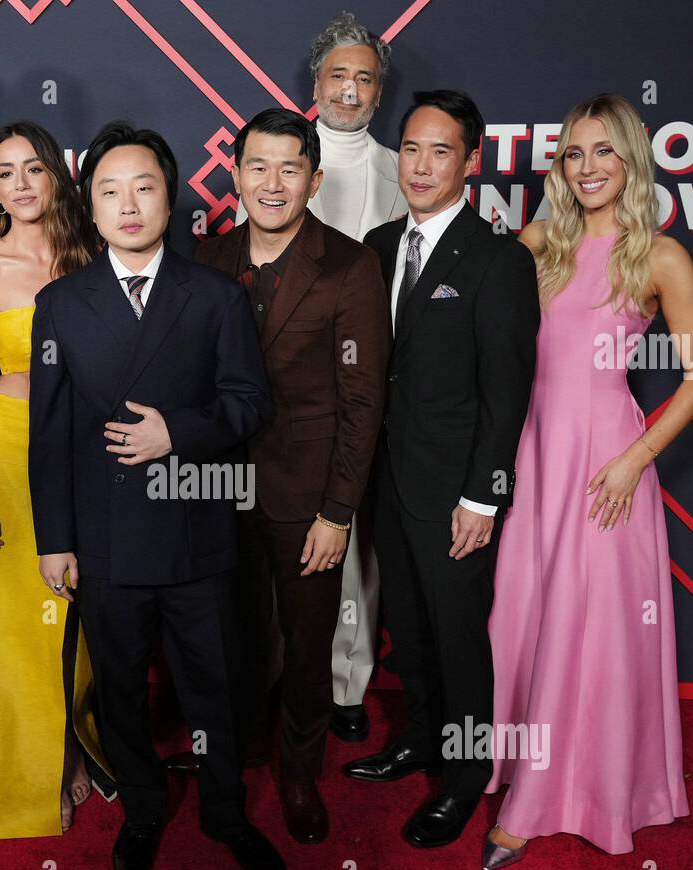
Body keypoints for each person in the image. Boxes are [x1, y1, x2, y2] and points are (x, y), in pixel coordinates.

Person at [29, 121, 285, 870]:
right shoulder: (63, 304)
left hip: (195, 527)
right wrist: (55, 538)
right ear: (91, 206)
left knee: (213, 683)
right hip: (105, 539)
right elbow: (49, 435)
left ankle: (225, 810)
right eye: (110, 190)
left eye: (144, 187)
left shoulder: (214, 296)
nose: (128, 204)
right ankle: (142, 809)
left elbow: (250, 404)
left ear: (171, 199)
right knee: (118, 684)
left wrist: (176, 433)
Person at [482, 94, 693, 870]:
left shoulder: (661, 257)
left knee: (594, 634)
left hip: (607, 465)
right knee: (525, 615)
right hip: (532, 457)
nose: (587, 168)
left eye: (603, 152)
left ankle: (562, 798)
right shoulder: (537, 241)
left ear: (630, 162)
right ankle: (518, 766)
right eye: (574, 153)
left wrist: (636, 459)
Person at [345, 90, 539, 850]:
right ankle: (418, 741)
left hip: (457, 492)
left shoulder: (498, 260)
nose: (422, 167)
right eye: (414, 150)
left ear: (471, 162)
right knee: (408, 627)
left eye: (441, 152)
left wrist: (483, 498)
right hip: (386, 482)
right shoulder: (378, 244)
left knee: (458, 636)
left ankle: (463, 779)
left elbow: (507, 392)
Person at [194, 108, 388, 843]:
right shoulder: (204, 259)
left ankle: (300, 772)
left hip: (306, 496)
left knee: (307, 644)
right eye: (257, 167)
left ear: (314, 177)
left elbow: (363, 401)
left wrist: (338, 512)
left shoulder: (350, 264)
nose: (271, 184)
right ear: (236, 173)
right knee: (229, 632)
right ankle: (239, 747)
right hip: (213, 492)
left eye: (288, 168)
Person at [235, 13, 407, 743]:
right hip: (271, 425)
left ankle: (345, 685)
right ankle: (263, 699)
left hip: (367, 384)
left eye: (366, 77)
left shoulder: (403, 171)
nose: (351, 88)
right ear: (316, 84)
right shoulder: (261, 191)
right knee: (265, 587)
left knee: (350, 555)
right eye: (339, 74)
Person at [0, 120, 108, 839]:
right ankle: (18, 782)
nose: (20, 184)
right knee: (5, 634)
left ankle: (72, 751)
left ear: (55, 177)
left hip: (84, 455)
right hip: (4, 459)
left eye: (33, 169)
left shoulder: (93, 259)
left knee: (75, 618)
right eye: (5, 172)